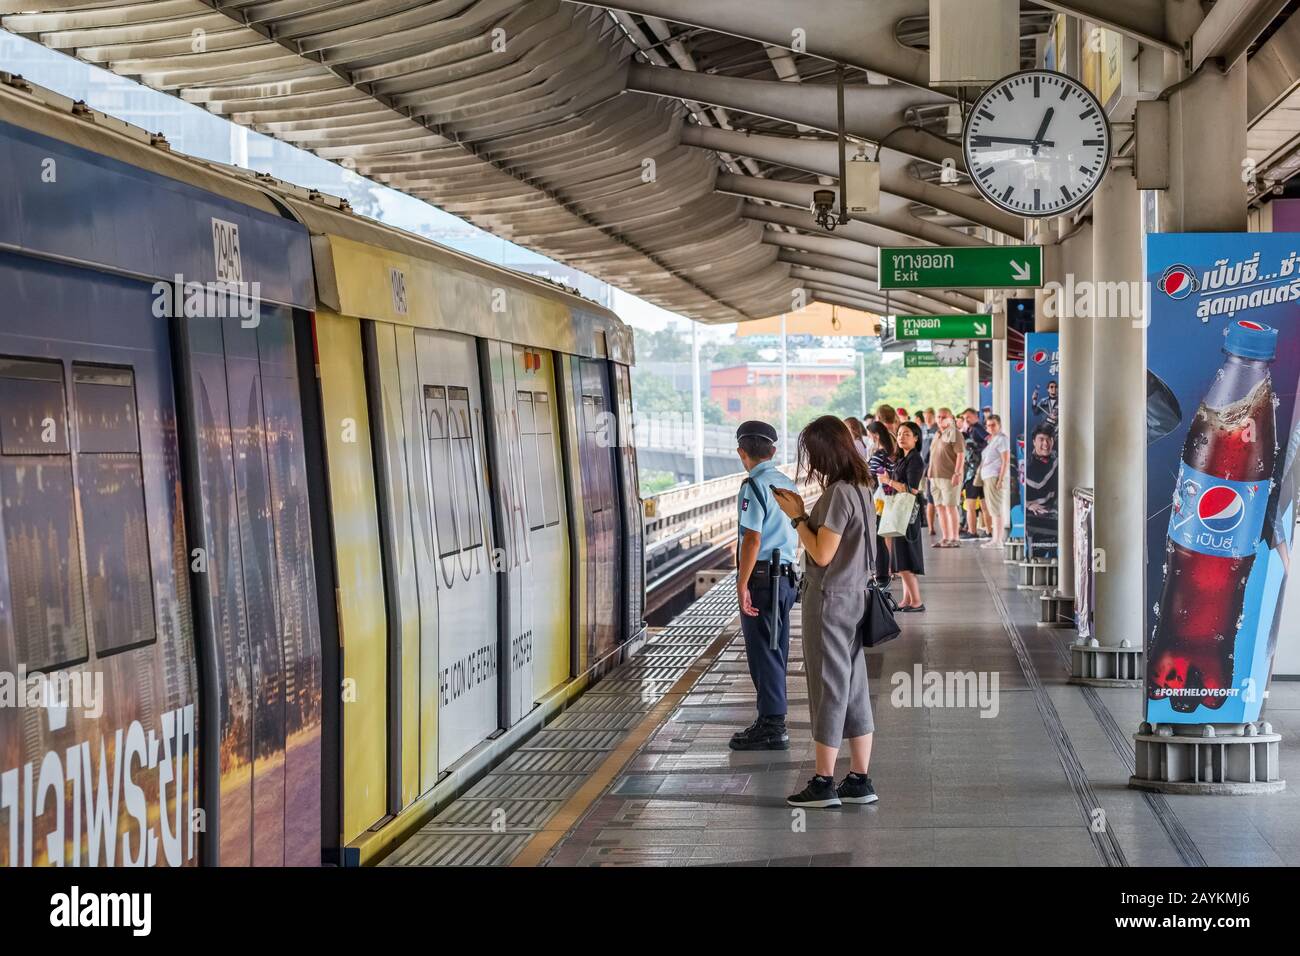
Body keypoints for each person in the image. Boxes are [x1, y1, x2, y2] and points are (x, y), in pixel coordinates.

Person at [771, 416, 879, 809]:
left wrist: (797, 515)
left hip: (830, 600)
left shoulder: (836, 495)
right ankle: (860, 779)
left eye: (812, 455)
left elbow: (821, 552)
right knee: (853, 686)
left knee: (828, 686)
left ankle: (823, 782)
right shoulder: (863, 487)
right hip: (856, 598)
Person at [730, 421, 800, 751]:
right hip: (785, 577)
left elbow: (752, 539)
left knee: (765, 652)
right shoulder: (785, 482)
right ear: (773, 451)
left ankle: (773, 725)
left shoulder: (753, 486)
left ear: (742, 453)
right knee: (777, 649)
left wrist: (741, 584)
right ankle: (769, 719)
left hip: (762, 580)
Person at [883, 421, 927, 611]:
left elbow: (912, 489)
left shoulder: (915, 460)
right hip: (901, 511)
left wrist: (888, 481)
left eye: (907, 434)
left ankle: (916, 601)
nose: (901, 437)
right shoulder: (904, 458)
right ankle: (907, 600)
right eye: (899, 434)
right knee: (901, 557)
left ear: (916, 438)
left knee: (904, 557)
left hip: (907, 513)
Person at [865, 421, 897, 586]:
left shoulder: (879, 454)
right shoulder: (895, 451)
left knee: (882, 534)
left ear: (875, 435)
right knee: (889, 534)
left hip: (881, 498)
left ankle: (887, 569)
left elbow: (870, 476)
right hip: (894, 495)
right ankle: (893, 567)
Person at [928, 407, 964, 547]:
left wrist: (957, 473)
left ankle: (955, 538)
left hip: (949, 476)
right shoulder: (937, 434)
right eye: (938, 417)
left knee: (950, 506)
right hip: (935, 477)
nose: (940, 419)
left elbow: (961, 455)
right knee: (940, 508)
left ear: (951, 418)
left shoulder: (954, 433)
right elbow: (933, 455)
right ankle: (945, 537)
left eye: (944, 417)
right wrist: (930, 472)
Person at [1024, 426, 1059, 554]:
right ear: (1034, 442)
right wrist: (1028, 505)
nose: (1045, 443)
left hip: (1052, 513)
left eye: (1049, 439)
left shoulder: (1057, 461)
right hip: (1032, 516)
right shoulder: (1027, 464)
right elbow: (1035, 484)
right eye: (1041, 439)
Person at [978, 414, 1011, 549]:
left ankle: (998, 540)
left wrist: (1000, 479)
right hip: (988, 477)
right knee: (993, 508)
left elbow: (1005, 460)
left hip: (994, 477)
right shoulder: (993, 440)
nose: (990, 427)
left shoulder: (1001, 439)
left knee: (996, 509)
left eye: (993, 425)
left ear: (999, 425)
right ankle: (995, 539)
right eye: (988, 425)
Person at [959, 408, 989, 540]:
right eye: (965, 418)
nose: (966, 420)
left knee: (970, 503)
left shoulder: (977, 428)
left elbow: (989, 440)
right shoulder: (971, 430)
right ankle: (988, 531)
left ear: (975, 416)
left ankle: (972, 531)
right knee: (983, 503)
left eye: (968, 417)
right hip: (978, 470)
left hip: (975, 471)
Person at [922, 409, 939, 535]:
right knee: (929, 498)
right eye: (925, 417)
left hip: (936, 467)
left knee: (936, 498)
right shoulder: (922, 430)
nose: (927, 419)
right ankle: (930, 527)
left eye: (929, 417)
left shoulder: (938, 430)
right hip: (924, 467)